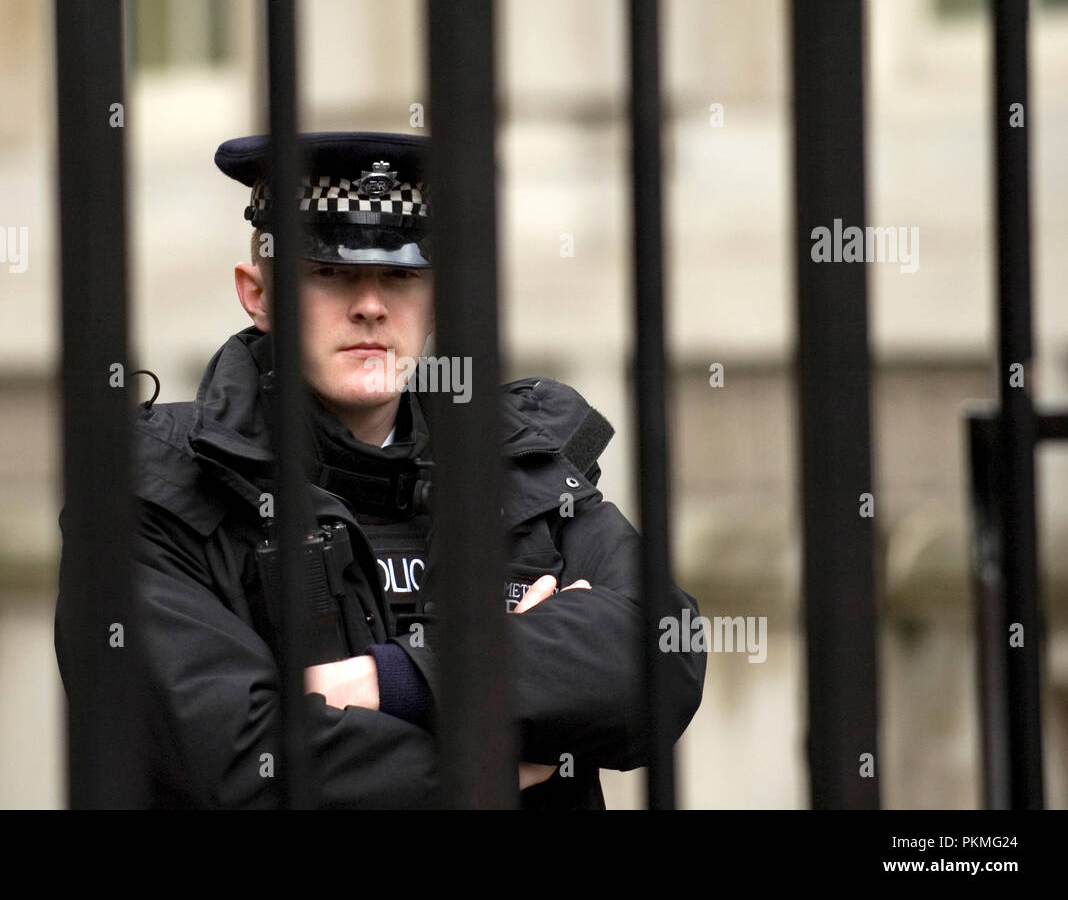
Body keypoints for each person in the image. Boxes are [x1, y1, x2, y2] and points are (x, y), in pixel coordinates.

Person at [55, 130, 707, 809]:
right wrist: (497, 749)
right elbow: (238, 762)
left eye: (400, 275)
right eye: (329, 274)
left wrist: (386, 683)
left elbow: (664, 649)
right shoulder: (155, 491)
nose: (370, 305)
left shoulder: (521, 464)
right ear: (257, 293)